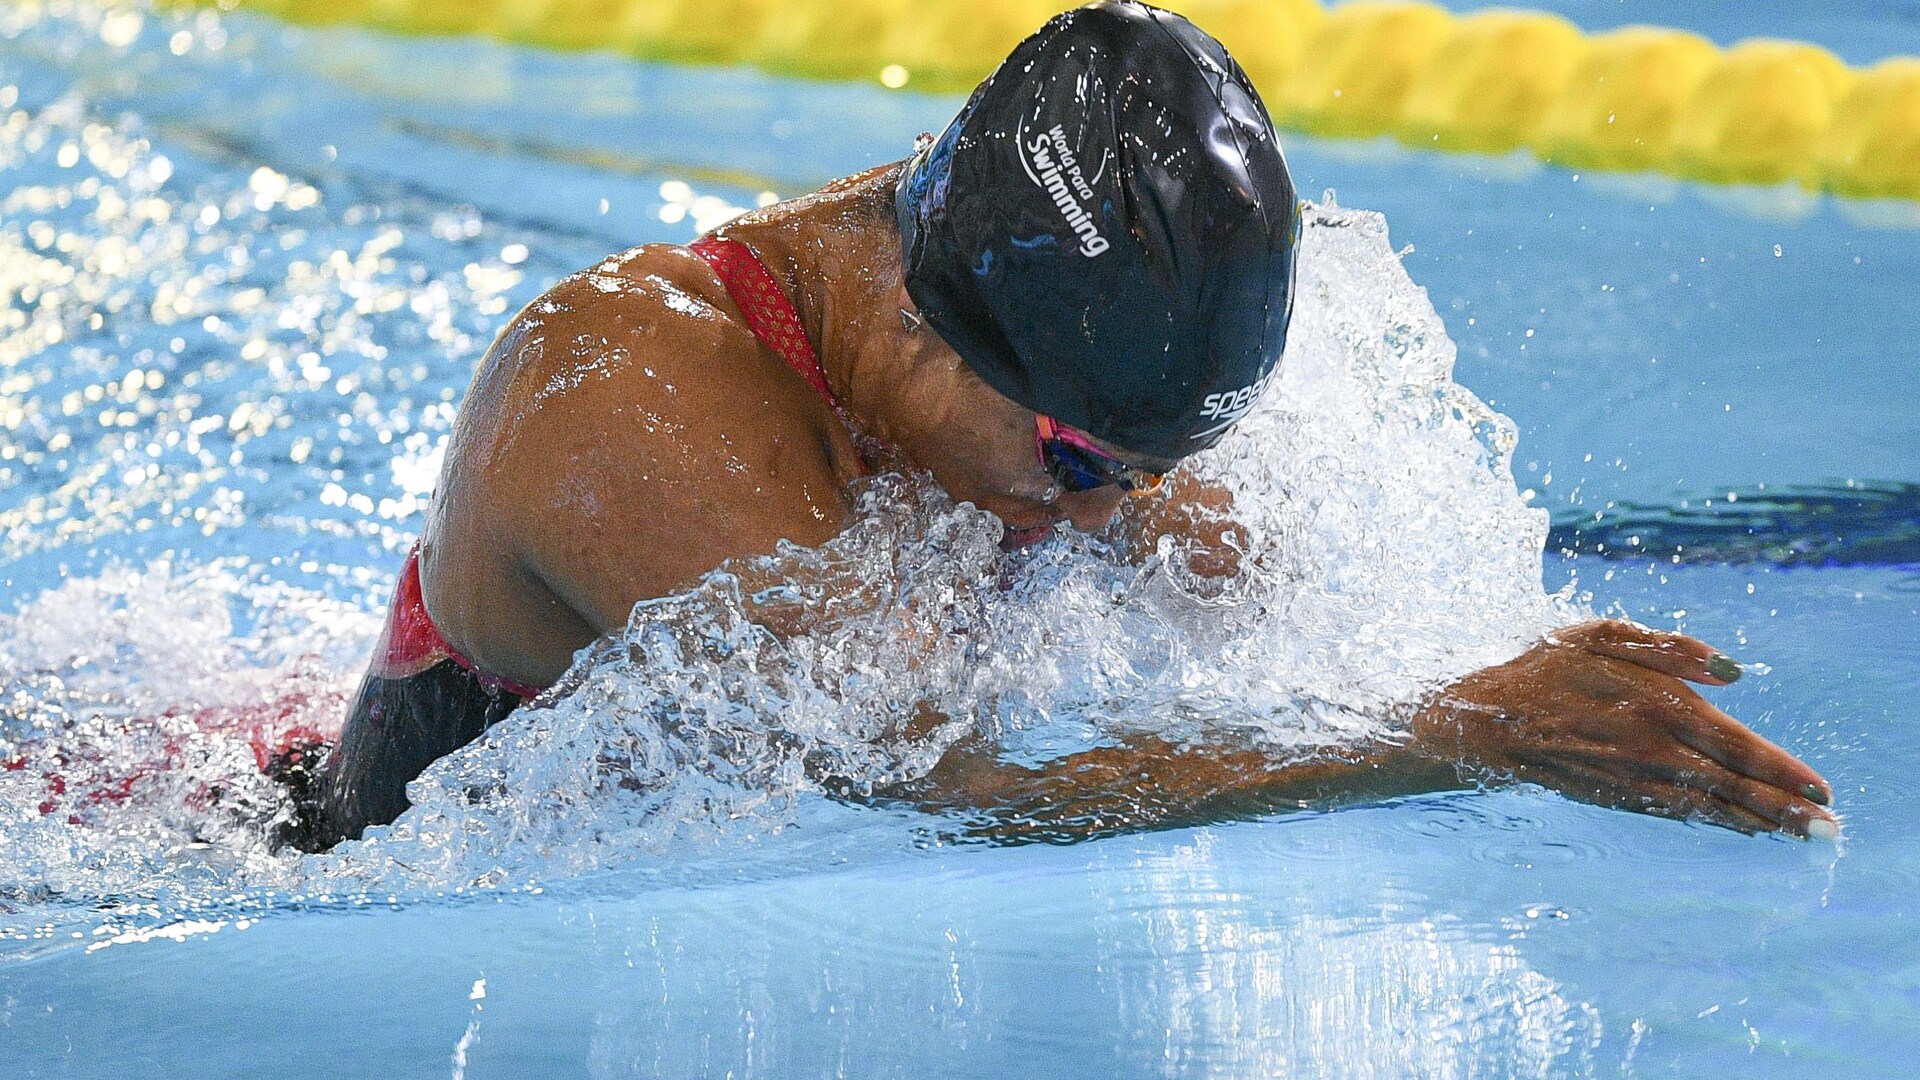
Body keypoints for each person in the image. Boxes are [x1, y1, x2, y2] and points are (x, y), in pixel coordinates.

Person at [275, 1, 1834, 852]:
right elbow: (950, 791)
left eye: (1155, 475)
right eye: (1083, 469)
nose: (1114, 519)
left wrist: (1501, 683)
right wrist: (1447, 740)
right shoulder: (636, 400)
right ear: (924, 324)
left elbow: (1274, 627)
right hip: (344, 886)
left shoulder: (1055, 387)